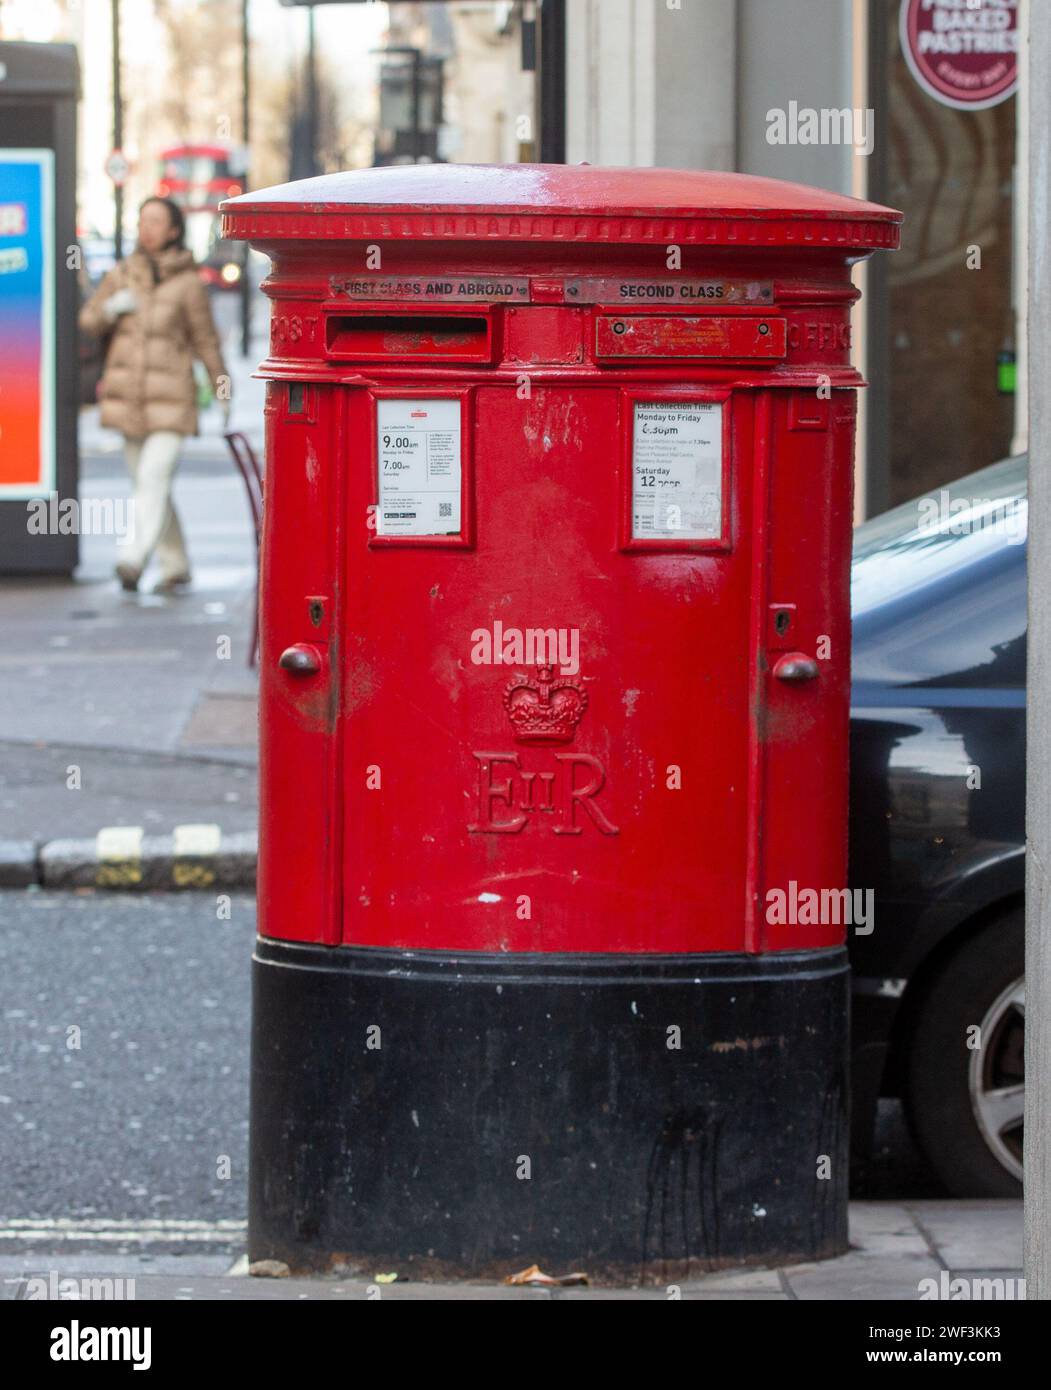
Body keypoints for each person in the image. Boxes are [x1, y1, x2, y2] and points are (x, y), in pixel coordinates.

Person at [79, 196, 229, 593]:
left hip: (173, 398)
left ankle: (132, 556)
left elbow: (206, 341)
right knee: (150, 487)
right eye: (143, 220)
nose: (147, 229)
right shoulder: (122, 274)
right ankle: (176, 562)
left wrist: (222, 387)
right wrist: (111, 308)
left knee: (152, 476)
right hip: (128, 397)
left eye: (157, 221)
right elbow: (88, 320)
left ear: (174, 231)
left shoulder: (187, 284)